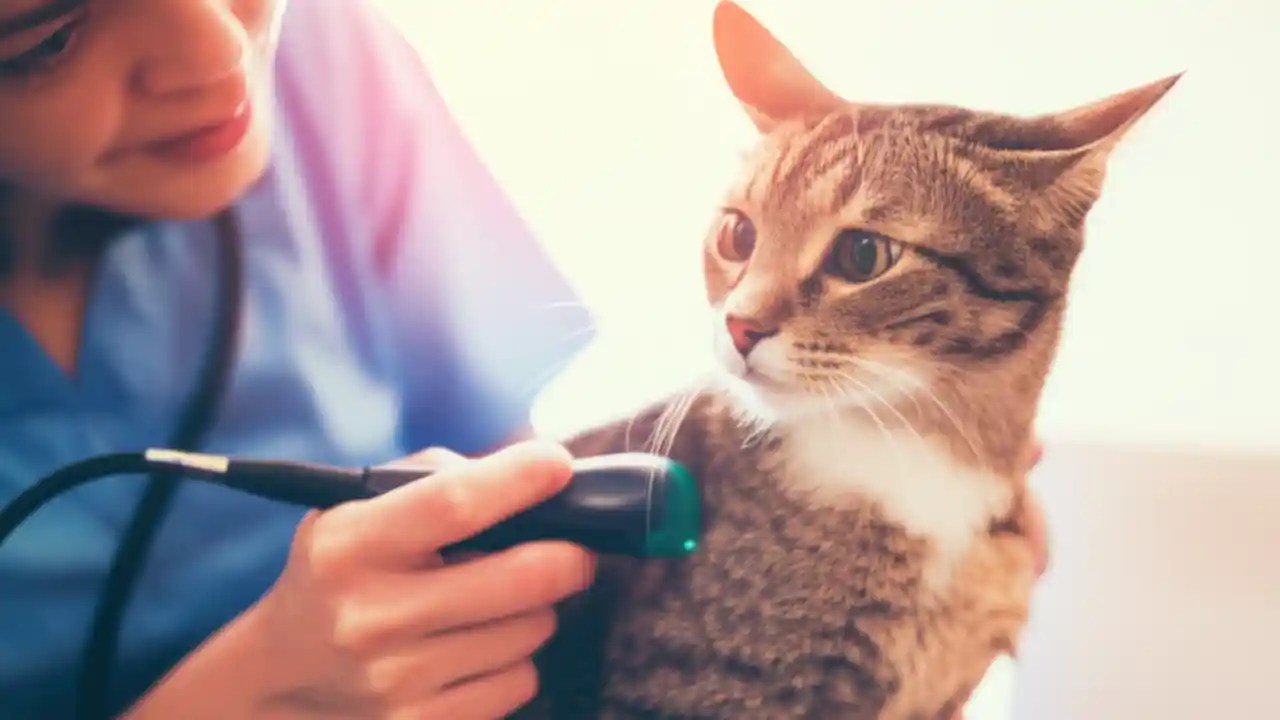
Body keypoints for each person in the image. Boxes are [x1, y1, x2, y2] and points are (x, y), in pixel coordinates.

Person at [0, 1, 1049, 718]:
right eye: (44, 37)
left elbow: (524, 495)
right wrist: (250, 696)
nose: (217, 59)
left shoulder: (323, 54)